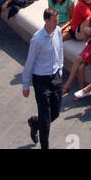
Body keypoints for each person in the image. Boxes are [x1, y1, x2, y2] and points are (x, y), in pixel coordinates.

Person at [22, 8, 65, 150]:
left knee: (56, 112)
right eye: (54, 21)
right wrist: (26, 85)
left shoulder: (57, 31)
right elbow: (29, 62)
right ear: (46, 21)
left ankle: (35, 123)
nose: (57, 23)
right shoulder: (37, 39)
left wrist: (60, 68)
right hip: (41, 80)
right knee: (45, 117)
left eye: (57, 21)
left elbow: (60, 51)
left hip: (55, 77)